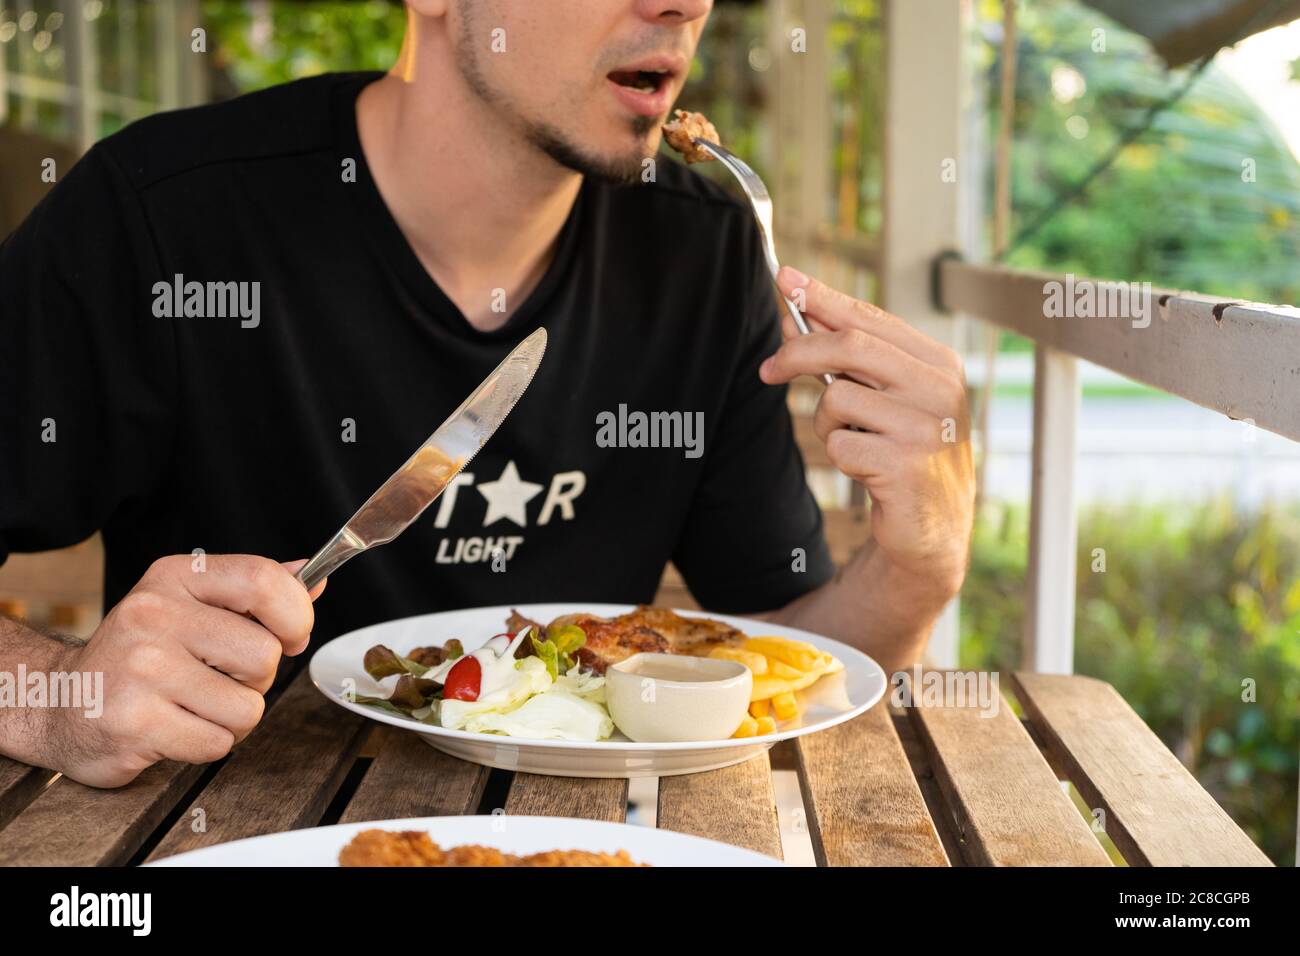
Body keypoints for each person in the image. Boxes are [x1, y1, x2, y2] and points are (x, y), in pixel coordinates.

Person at [0, 0, 973, 788]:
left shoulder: (700, 250)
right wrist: (53, 698)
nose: (679, 6)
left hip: (589, 838)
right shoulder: (164, 216)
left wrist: (918, 566)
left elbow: (788, 665)